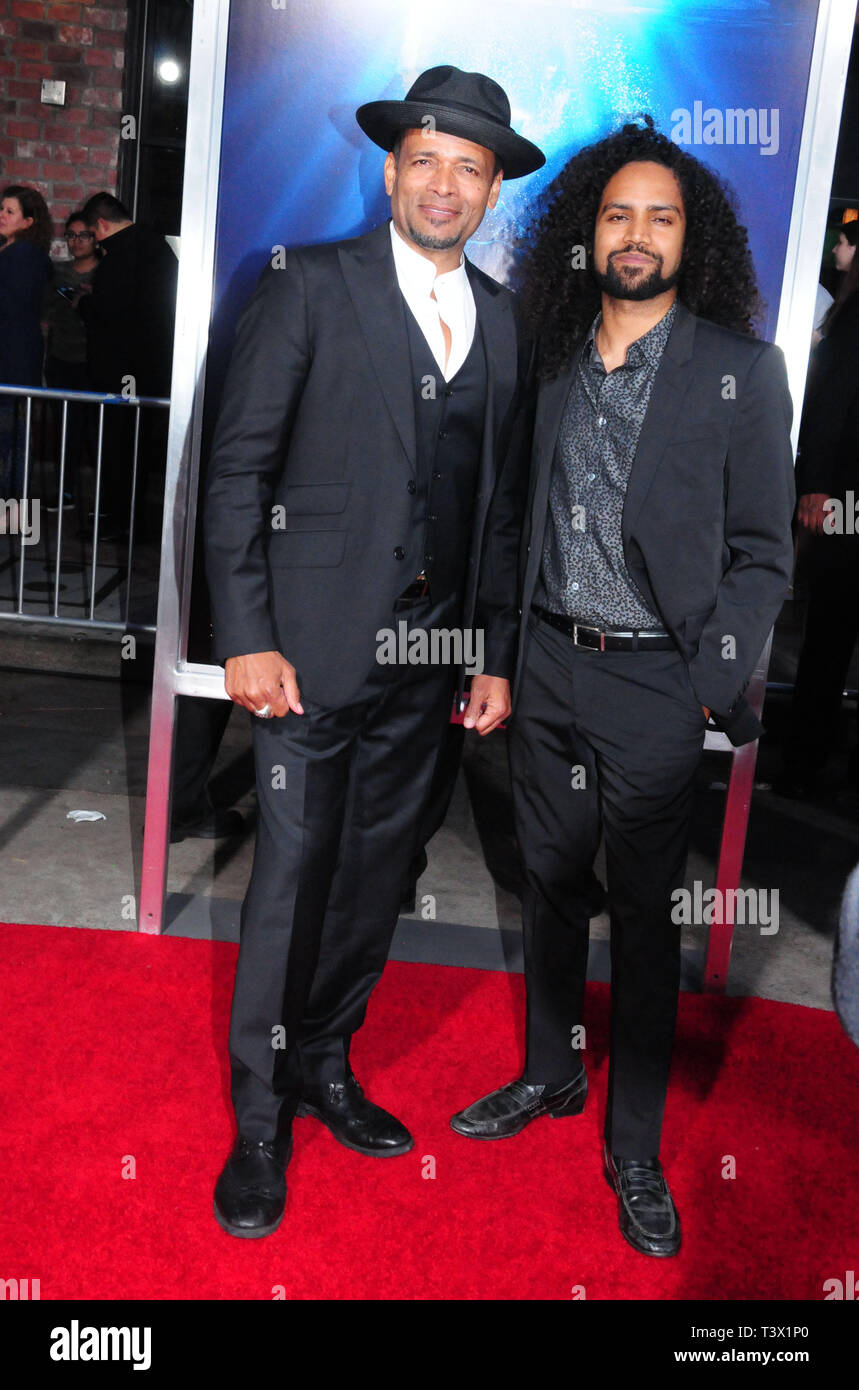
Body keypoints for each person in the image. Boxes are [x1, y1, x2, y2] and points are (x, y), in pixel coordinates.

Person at [204, 65, 544, 1238]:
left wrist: (492, 652)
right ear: (391, 169)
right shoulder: (309, 283)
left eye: (467, 165)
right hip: (304, 652)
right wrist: (244, 635)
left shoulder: (504, 319)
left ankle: (325, 1062)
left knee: (370, 881)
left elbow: (499, 509)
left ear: (492, 186)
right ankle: (258, 1113)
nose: (442, 183)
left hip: (432, 661)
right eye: (424, 159)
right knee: (290, 884)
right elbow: (238, 470)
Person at [449, 118, 795, 1258]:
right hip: (547, 665)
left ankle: (634, 1146)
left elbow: (763, 552)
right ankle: (550, 1073)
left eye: (661, 216)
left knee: (642, 917)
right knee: (547, 884)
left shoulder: (741, 370)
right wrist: (498, 656)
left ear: (688, 241)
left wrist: (714, 681)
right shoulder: (548, 360)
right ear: (585, 228)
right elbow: (510, 524)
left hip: (658, 682)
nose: (636, 234)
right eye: (617, 213)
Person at [779, 220, 859, 798]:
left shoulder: (851, 316)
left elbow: (832, 402)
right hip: (844, 498)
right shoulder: (849, 313)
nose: (837, 249)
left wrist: (818, 487)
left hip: (844, 497)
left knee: (831, 627)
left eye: (848, 240)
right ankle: (808, 755)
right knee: (831, 625)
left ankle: (807, 758)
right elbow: (834, 404)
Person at [78, 192, 178, 540]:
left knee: (118, 448)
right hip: (154, 368)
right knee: (139, 449)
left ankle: (120, 521)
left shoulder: (119, 257)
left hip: (121, 371)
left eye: (93, 232)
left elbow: (110, 316)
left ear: (101, 224)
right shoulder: (158, 248)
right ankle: (132, 520)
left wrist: (84, 305)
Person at [42, 212, 102, 510]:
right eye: (71, 235)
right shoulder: (57, 272)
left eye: (83, 235)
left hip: (91, 363)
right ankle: (65, 492)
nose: (76, 241)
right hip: (60, 359)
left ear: (95, 238)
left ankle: (103, 500)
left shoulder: (105, 273)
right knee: (64, 430)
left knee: (94, 432)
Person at [0, 185, 52, 501]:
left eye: (10, 211)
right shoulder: (11, 252)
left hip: (13, 358)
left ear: (28, 221)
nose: (2, 215)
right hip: (13, 354)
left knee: (12, 437)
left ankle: (13, 514)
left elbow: (12, 304)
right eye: (1, 209)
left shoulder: (25, 256)